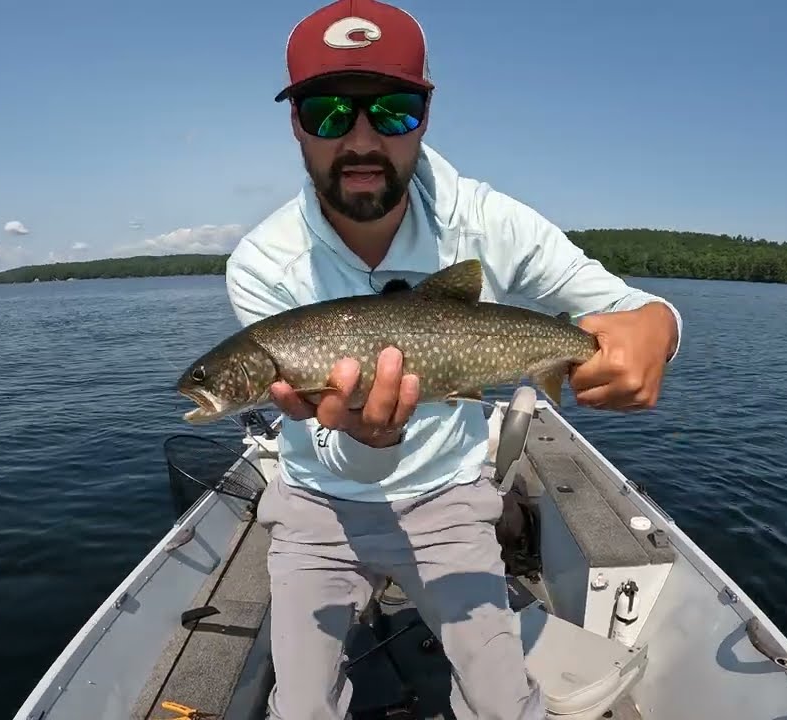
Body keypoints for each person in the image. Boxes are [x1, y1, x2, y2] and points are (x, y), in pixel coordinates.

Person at [225, 1, 682, 717]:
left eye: (395, 111)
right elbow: (329, 437)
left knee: (507, 706)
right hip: (318, 504)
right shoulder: (264, 261)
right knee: (299, 708)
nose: (363, 138)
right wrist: (367, 438)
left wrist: (658, 328)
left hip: (447, 500)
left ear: (427, 114)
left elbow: (631, 307)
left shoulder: (486, 219)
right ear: (295, 123)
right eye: (329, 113)